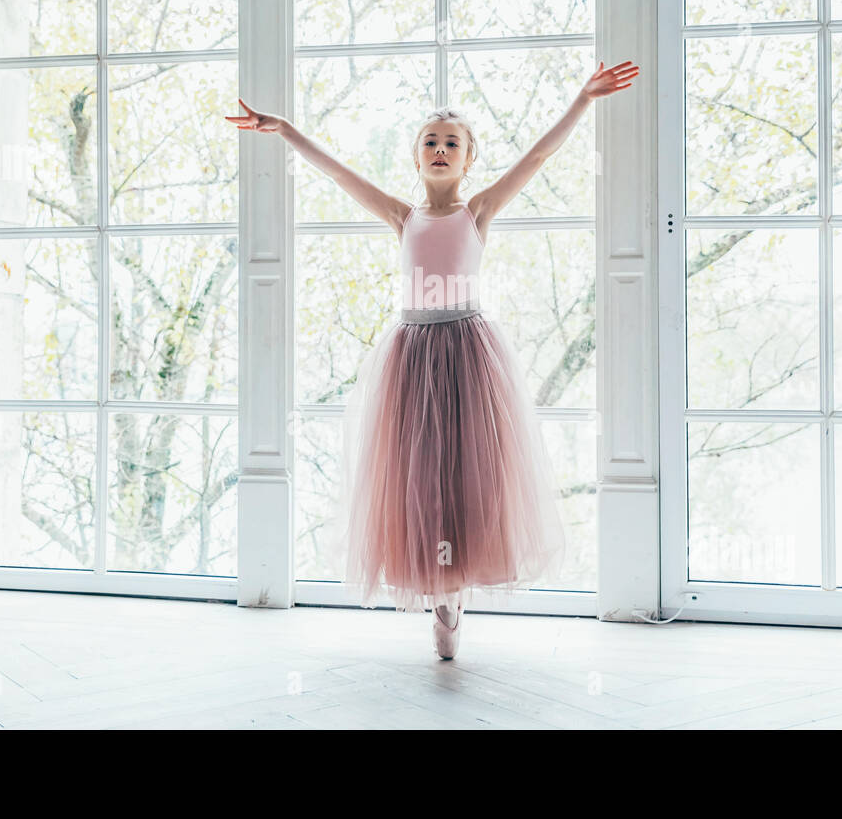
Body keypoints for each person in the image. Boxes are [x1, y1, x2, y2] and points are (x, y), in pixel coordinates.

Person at [227, 60, 639, 658]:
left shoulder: (478, 211)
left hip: (468, 350)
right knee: (421, 472)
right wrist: (285, 129)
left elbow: (538, 157)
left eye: (452, 143)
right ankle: (440, 589)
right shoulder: (404, 216)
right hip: (414, 353)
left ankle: (457, 582)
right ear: (416, 157)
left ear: (468, 161)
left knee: (468, 468)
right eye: (430, 141)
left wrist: (582, 99)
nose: (440, 149)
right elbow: (338, 173)